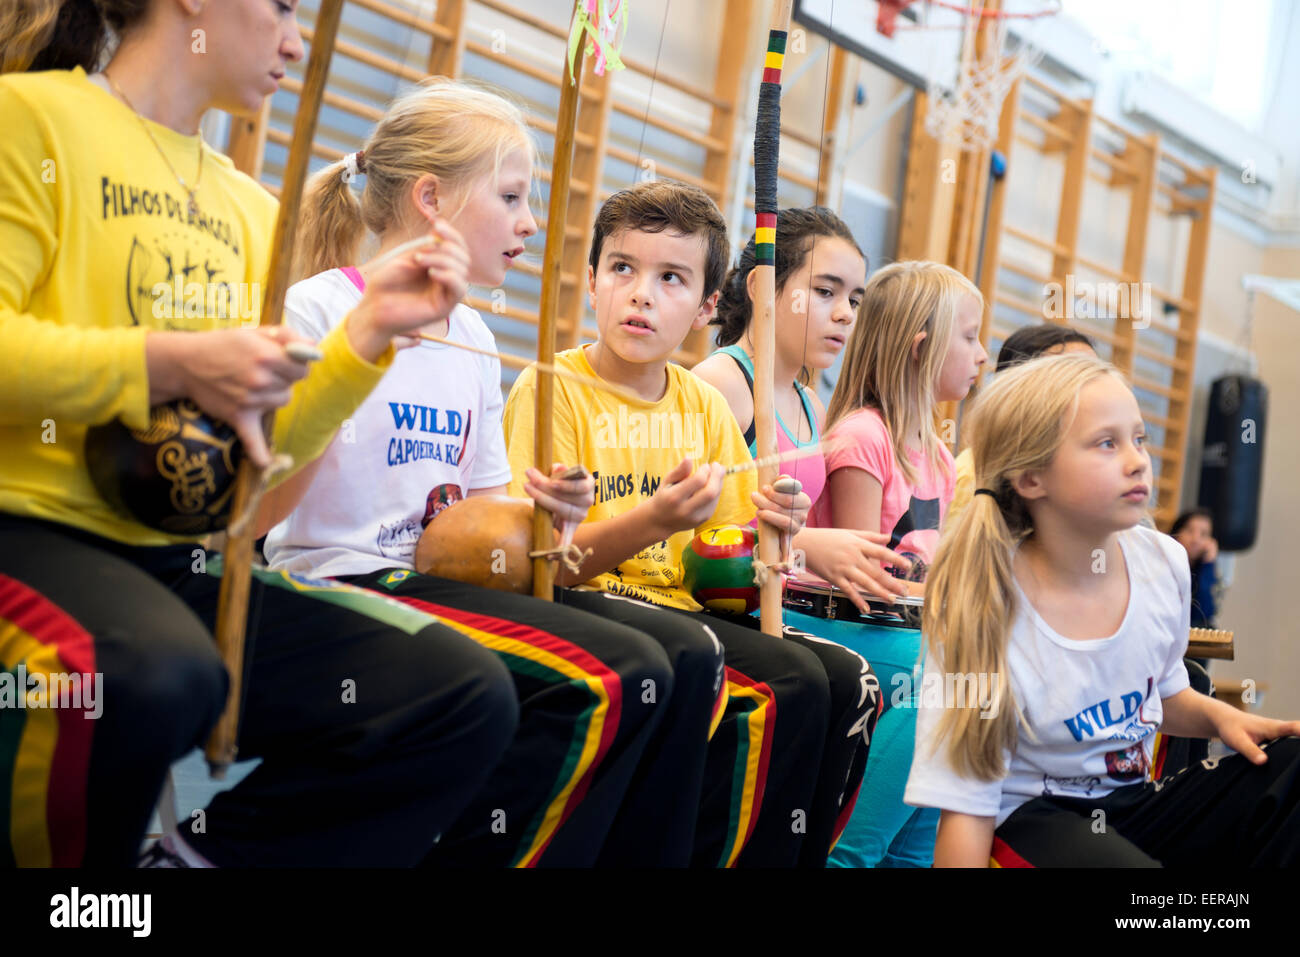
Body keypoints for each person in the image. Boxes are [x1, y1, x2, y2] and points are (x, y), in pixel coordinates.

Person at [0, 0, 522, 867]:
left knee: (460, 694)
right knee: (162, 673)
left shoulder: (248, 210)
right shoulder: (31, 119)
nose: (296, 35)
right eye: (282, 5)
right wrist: (169, 362)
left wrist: (363, 343)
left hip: (179, 561)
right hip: (28, 535)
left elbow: (257, 494)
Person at [258, 78, 673, 868]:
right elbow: (270, 477)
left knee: (664, 660)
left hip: (434, 580)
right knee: (605, 676)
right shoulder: (317, 307)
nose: (530, 223)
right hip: (339, 579)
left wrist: (549, 510)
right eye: (512, 197)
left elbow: (481, 521)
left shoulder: (476, 334)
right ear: (431, 199)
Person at [502, 180, 882, 867]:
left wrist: (777, 535)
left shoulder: (702, 409)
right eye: (623, 269)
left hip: (685, 612)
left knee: (848, 679)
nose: (641, 293)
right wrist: (654, 519)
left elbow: (729, 569)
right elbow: (542, 568)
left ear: (709, 305)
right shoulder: (550, 389)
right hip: (590, 602)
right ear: (590, 282)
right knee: (772, 677)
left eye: (671, 277)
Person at [906, 353, 1300, 867]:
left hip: (1132, 808)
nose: (1137, 460)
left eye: (1139, 439)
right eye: (1106, 444)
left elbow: (1165, 693)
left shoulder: (1163, 562)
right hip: (1028, 823)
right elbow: (967, 810)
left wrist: (1224, 719)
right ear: (1030, 478)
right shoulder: (987, 604)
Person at [809, 260, 988, 867]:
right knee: (948, 686)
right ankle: (848, 855)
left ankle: (907, 857)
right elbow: (860, 574)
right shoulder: (863, 436)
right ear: (921, 349)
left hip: (894, 623)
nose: (982, 353)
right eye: (970, 337)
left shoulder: (936, 452)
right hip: (839, 617)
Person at [692, 206, 910, 609]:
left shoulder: (811, 406)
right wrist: (802, 544)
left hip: (783, 608)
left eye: (854, 299)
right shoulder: (720, 384)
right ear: (761, 286)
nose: (846, 313)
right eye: (825, 291)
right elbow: (686, 531)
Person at [946, 323, 1096, 529]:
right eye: (1071, 379)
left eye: (1095, 377)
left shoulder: (1090, 472)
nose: (1094, 391)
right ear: (1016, 394)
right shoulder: (971, 478)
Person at [1170, 507, 1220, 630]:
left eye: (1203, 534)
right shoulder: (1164, 566)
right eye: (1189, 530)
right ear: (1177, 533)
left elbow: (1203, 614)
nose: (1195, 540)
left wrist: (1208, 564)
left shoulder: (1207, 570)